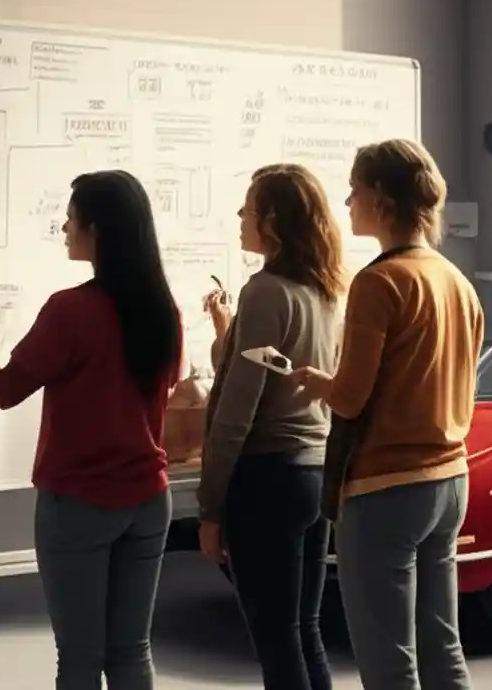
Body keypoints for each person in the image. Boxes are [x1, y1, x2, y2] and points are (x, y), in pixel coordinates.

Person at [0, 169, 182, 690]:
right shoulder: (164, 311)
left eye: (70, 219)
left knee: (79, 657)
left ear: (97, 229)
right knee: (132, 651)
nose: (64, 229)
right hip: (148, 501)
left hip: (78, 503)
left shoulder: (71, 310)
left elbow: (4, 390)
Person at [291, 138, 483, 690]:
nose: (348, 202)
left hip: (387, 487)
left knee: (387, 660)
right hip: (449, 479)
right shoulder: (455, 281)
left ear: (381, 197)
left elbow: (351, 397)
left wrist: (317, 382)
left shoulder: (378, 283)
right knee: (442, 646)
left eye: (355, 190)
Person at [196, 163, 344, 690]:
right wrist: (224, 331)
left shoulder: (265, 291)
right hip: (313, 474)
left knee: (276, 641)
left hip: (267, 482)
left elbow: (238, 409)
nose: (240, 216)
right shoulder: (323, 292)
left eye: (249, 207)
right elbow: (261, 370)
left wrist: (210, 507)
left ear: (274, 220)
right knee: (304, 631)